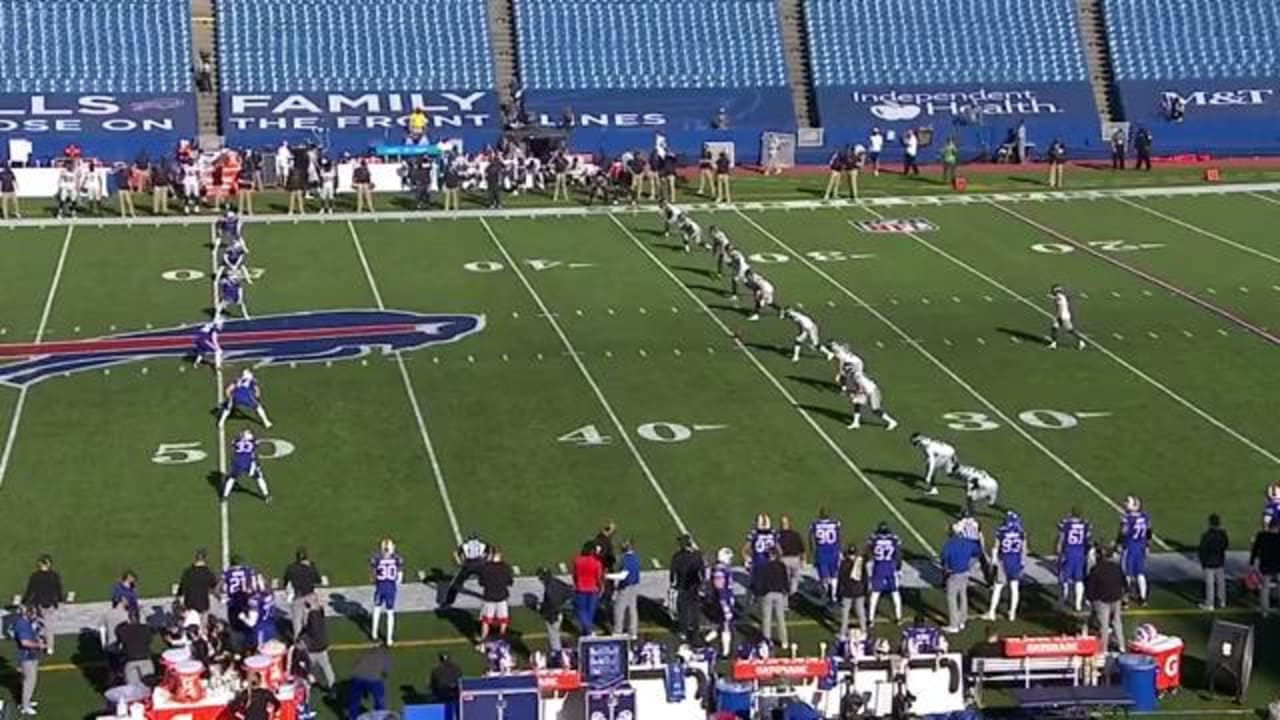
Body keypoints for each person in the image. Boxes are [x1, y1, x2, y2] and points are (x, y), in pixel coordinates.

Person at [986, 511, 1028, 621]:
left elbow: (995, 547)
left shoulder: (1001, 531)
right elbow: (1024, 549)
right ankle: (1012, 613)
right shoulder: (1021, 532)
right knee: (1014, 588)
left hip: (1003, 561)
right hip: (1016, 562)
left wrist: (994, 561)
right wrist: (1022, 562)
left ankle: (991, 612)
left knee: (998, 588)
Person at [940, 525, 981, 633]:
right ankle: (962, 620)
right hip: (965, 572)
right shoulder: (968, 543)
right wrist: (971, 564)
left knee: (951, 598)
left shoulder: (949, 545)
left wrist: (946, 570)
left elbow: (944, 559)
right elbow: (978, 553)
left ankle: (954, 625)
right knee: (963, 595)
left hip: (954, 574)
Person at [1085, 547, 1126, 651]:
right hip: (1116, 598)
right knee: (1117, 622)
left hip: (1101, 601)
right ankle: (1122, 646)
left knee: (1104, 625)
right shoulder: (1117, 567)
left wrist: (1090, 599)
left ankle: (1104, 649)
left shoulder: (1096, 569)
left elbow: (1090, 587)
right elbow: (1124, 583)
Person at [22, 555, 63, 655]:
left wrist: (24, 601)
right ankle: (48, 646)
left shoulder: (35, 576)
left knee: (40, 623)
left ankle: (42, 644)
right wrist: (60, 600)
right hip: (51, 603)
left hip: (39, 603)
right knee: (48, 625)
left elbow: (30, 590)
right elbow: (59, 589)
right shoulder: (54, 575)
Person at [669, 534, 705, 643]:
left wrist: (672, 584)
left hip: (682, 586)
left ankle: (684, 631)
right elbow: (702, 571)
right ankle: (695, 632)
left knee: (683, 610)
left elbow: (672, 572)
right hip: (694, 586)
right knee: (695, 610)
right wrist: (702, 584)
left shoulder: (677, 556)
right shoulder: (696, 555)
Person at [1117, 496, 1153, 605]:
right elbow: (1149, 532)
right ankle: (1143, 598)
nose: (1125, 503)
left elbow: (1123, 532)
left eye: (1128, 502)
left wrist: (1118, 543)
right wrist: (1147, 546)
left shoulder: (1127, 518)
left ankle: (1125, 599)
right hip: (1141, 547)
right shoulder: (1145, 516)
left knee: (1126, 573)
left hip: (1130, 547)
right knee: (1140, 573)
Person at [866, 522, 903, 625]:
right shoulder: (894, 539)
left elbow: (869, 552)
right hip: (890, 567)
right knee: (895, 592)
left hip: (879, 567)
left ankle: (870, 619)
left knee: (875, 593)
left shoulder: (874, 539)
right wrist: (899, 568)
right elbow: (898, 555)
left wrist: (870, 561)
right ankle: (898, 617)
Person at [222, 428, 271, 502]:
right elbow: (254, 449)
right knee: (258, 477)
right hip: (248, 462)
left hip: (238, 462)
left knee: (231, 478)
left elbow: (234, 443)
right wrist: (257, 465)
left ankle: (225, 496)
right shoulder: (253, 443)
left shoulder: (237, 441)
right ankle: (266, 495)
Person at [370, 538, 404, 645]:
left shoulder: (377, 559)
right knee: (390, 613)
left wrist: (376, 581)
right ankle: (389, 639)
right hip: (391, 587)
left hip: (380, 587)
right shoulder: (397, 559)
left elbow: (373, 574)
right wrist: (396, 583)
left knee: (376, 610)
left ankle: (374, 634)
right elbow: (400, 575)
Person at [477, 546, 514, 645]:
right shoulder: (506, 567)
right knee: (503, 620)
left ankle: (483, 642)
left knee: (486, 620)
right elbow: (510, 582)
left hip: (489, 596)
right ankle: (501, 639)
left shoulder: (485, 567)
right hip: (502, 596)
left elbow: (481, 583)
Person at [284, 547, 322, 639]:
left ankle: (298, 643)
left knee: (297, 623)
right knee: (311, 619)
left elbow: (286, 581)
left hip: (297, 596)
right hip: (310, 596)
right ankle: (313, 640)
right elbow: (318, 580)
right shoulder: (311, 567)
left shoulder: (291, 568)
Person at [608, 540, 642, 639]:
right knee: (632, 609)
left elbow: (623, 575)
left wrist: (607, 576)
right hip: (634, 585)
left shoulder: (626, 559)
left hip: (625, 586)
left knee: (619, 609)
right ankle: (633, 632)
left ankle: (618, 631)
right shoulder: (636, 557)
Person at [348, 642, 392, 718]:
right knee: (380, 699)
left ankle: (352, 717)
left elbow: (356, 663)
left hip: (358, 677)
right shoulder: (386, 655)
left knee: (355, 701)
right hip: (373, 679)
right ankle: (380, 716)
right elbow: (385, 672)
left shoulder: (366, 651)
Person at [299, 598, 334, 692]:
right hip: (322, 646)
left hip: (312, 648)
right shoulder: (320, 614)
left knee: (308, 667)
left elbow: (308, 630)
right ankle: (332, 686)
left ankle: (308, 686)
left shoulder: (311, 616)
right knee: (327, 668)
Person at [758, 547, 790, 649]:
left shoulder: (764, 566)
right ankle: (784, 641)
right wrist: (786, 591)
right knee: (780, 618)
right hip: (779, 593)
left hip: (767, 593)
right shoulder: (781, 565)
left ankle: (767, 641)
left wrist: (761, 592)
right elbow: (785, 579)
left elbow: (761, 581)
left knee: (767, 619)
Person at [14, 605, 43, 715]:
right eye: (33, 613)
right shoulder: (22, 624)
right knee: (29, 682)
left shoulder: (27, 622)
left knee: (31, 680)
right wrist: (38, 645)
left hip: (32, 655)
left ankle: (27, 701)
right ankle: (25, 706)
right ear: (28, 613)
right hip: (27, 657)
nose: (35, 615)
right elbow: (24, 642)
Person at [177, 548, 219, 623]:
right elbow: (214, 587)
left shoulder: (188, 572)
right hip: (203, 604)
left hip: (189, 604)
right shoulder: (208, 572)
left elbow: (181, 588)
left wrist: (179, 599)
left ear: (195, 558)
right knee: (202, 628)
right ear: (205, 559)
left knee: (191, 626)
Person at [536, 567, 571, 656]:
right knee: (556, 632)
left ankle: (557, 654)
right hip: (559, 612)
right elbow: (569, 591)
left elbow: (550, 604)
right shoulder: (557, 581)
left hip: (553, 615)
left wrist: (542, 609)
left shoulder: (549, 589)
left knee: (553, 635)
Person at [810, 509, 842, 603]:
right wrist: (839, 549)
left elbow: (811, 538)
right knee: (834, 575)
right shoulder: (835, 523)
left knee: (824, 576)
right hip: (833, 551)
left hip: (822, 552)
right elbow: (839, 537)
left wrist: (813, 550)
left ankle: (827, 592)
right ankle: (834, 595)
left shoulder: (815, 524)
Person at [1198, 513, 1229, 610]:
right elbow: (1225, 545)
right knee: (1221, 583)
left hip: (1208, 562)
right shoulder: (1223, 534)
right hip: (1219, 561)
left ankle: (1210, 604)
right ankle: (1222, 601)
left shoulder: (1206, 535)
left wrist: (1202, 561)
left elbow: (1202, 550)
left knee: (1210, 584)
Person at [1250, 517, 1280, 617]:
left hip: (1266, 566)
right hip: (1278, 566)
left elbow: (1255, 550)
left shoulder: (1262, 536)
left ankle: (1264, 611)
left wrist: (1252, 562)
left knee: (1265, 589)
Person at [572, 542, 604, 635]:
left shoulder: (577, 561)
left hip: (581, 589)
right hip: (593, 589)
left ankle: (587, 630)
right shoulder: (596, 562)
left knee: (582, 610)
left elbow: (575, 575)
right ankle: (588, 629)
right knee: (590, 611)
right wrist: (601, 588)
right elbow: (598, 577)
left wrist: (576, 584)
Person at [835, 544, 867, 638]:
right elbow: (865, 578)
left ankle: (843, 633)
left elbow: (841, 580)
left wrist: (838, 593)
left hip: (847, 592)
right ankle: (863, 631)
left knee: (845, 614)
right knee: (861, 613)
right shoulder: (860, 562)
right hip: (859, 591)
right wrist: (865, 590)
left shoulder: (844, 563)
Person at [116, 610, 155, 686]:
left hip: (130, 660)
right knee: (149, 686)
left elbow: (119, 634)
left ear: (129, 618)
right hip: (145, 659)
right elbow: (149, 640)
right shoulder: (146, 629)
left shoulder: (123, 629)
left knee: (132, 689)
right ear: (139, 618)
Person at [1047, 284, 1085, 350]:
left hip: (1063, 316)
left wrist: (1058, 317)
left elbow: (1060, 307)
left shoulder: (1059, 297)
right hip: (1062, 315)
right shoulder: (1061, 296)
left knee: (1069, 330)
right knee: (1054, 328)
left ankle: (1081, 341)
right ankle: (1053, 344)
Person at [777, 515, 805, 596]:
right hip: (795, 559)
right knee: (794, 580)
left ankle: (785, 601)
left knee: (785, 581)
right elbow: (802, 548)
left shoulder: (777, 535)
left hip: (783, 560)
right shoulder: (796, 534)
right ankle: (793, 597)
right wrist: (803, 560)